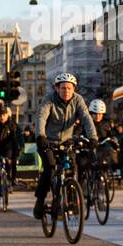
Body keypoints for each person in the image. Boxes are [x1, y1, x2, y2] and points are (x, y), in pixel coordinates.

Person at [33, 73, 97, 219]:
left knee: (72, 169)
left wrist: (93, 138)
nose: (66, 91)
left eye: (69, 88)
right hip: (47, 141)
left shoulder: (78, 100)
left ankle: (71, 201)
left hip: (66, 142)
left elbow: (87, 118)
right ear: (56, 88)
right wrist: (40, 136)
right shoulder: (49, 99)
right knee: (50, 168)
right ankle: (40, 200)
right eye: (63, 88)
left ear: (74, 89)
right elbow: (41, 117)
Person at [0, 106, 20, 204]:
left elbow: (15, 139)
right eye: (0, 115)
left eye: (4, 115)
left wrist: (17, 150)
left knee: (11, 163)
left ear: (7, 115)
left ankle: (11, 181)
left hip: (8, 149)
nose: (2, 117)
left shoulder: (12, 124)